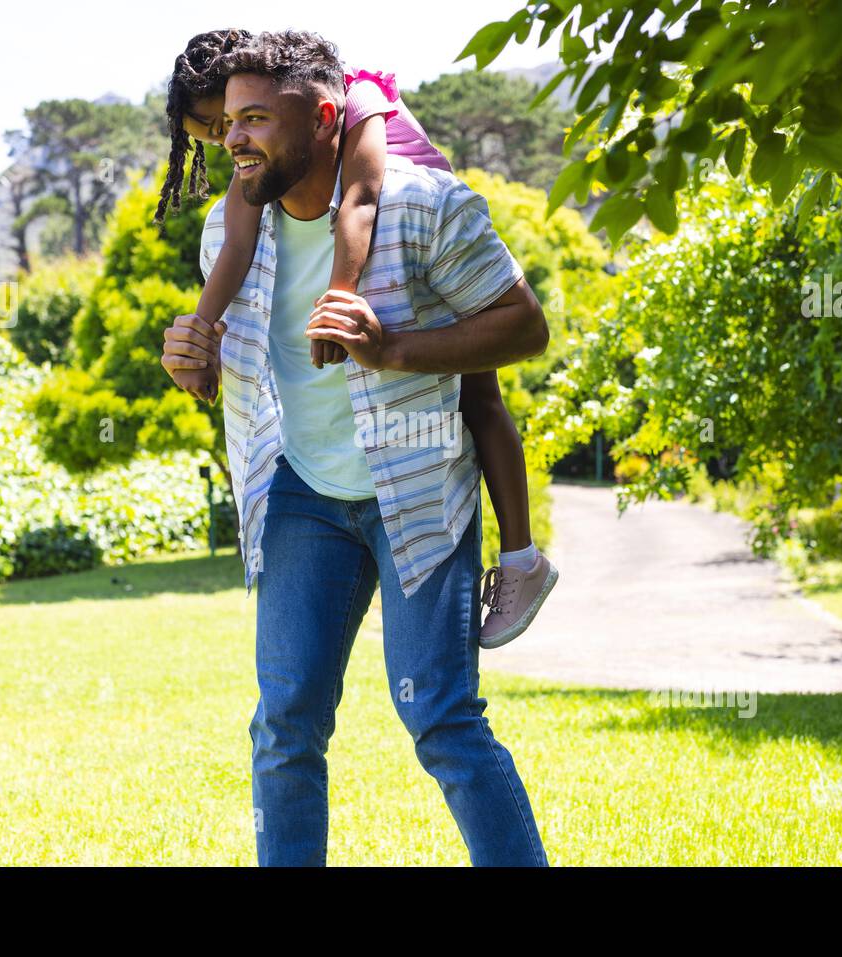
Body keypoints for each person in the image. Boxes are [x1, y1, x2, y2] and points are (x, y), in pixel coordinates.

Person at [160, 30, 550, 866]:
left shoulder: (428, 205)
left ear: (326, 116)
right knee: (284, 724)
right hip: (299, 494)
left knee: (441, 718)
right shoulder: (230, 234)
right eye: (230, 122)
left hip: (414, 487)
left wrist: (395, 349)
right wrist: (192, 356)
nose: (234, 139)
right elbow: (227, 369)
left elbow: (525, 326)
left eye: (256, 118)